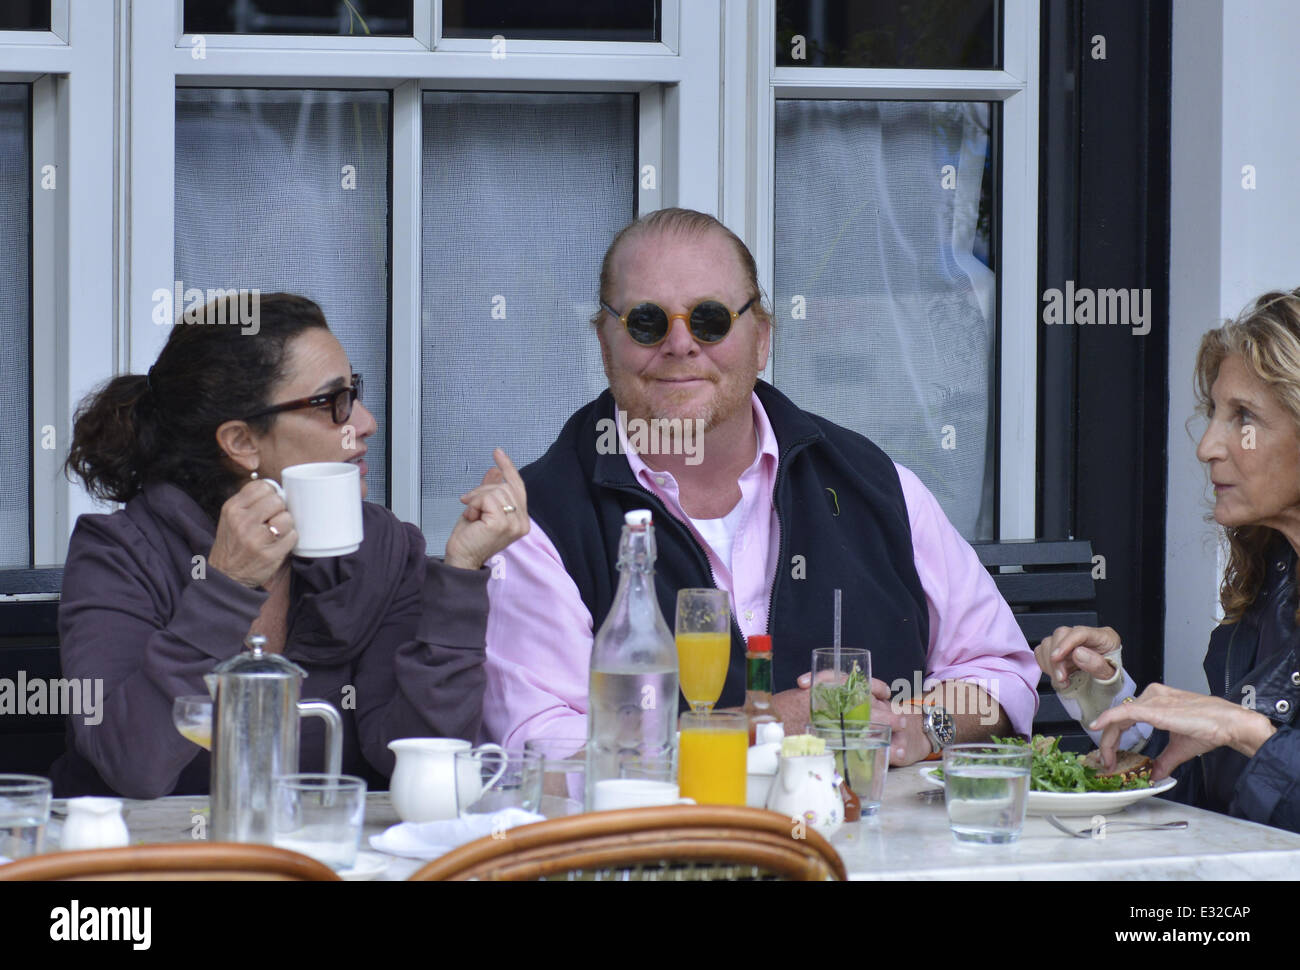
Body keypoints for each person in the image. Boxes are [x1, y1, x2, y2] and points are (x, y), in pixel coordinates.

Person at [483, 208, 1039, 764]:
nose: (680, 345)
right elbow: (543, 745)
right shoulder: (536, 522)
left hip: (870, 844)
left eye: (711, 319)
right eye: (647, 322)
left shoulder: (876, 486)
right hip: (662, 851)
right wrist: (758, 728)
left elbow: (999, 673)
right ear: (607, 344)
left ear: (762, 338)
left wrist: (922, 725)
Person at [52, 293, 528, 798]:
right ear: (242, 442)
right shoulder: (119, 555)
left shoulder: (382, 548)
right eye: (332, 403)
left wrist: (460, 572)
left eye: (355, 392)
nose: (365, 421)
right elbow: (134, 767)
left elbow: (413, 755)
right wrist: (227, 586)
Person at [1036, 288, 1300, 832]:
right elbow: (1219, 779)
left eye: (1243, 416)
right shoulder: (1272, 579)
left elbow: (1246, 745)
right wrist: (1104, 693)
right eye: (1214, 413)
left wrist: (1245, 730)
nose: (1206, 446)